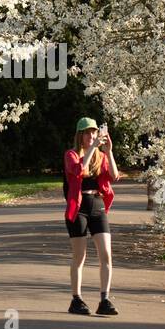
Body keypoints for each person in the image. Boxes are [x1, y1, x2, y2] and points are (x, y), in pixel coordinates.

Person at [63, 116, 120, 316]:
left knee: (106, 254)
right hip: (78, 207)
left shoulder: (100, 156)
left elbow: (114, 176)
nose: (92, 136)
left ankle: (104, 298)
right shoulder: (71, 154)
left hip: (97, 205)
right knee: (80, 255)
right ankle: (76, 298)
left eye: (94, 132)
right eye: (87, 132)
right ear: (80, 135)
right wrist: (90, 150)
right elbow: (79, 170)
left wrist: (108, 151)